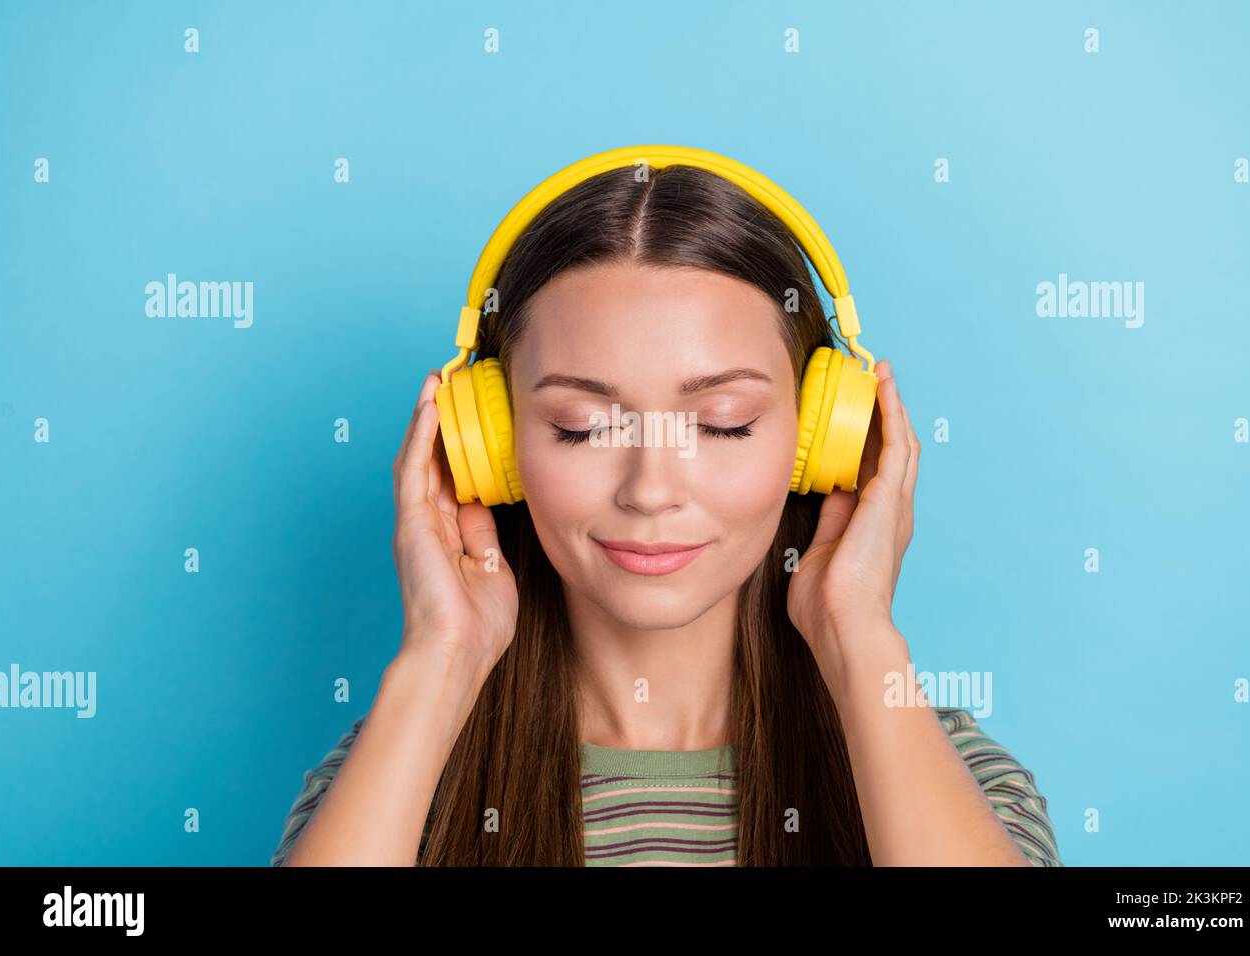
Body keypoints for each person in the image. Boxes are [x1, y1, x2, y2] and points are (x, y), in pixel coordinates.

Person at [272, 161, 1062, 866]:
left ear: (824, 438)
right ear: (490, 448)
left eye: (721, 422)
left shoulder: (949, 772)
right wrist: (441, 659)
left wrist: (858, 635)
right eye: (582, 427)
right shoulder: (391, 777)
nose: (650, 490)